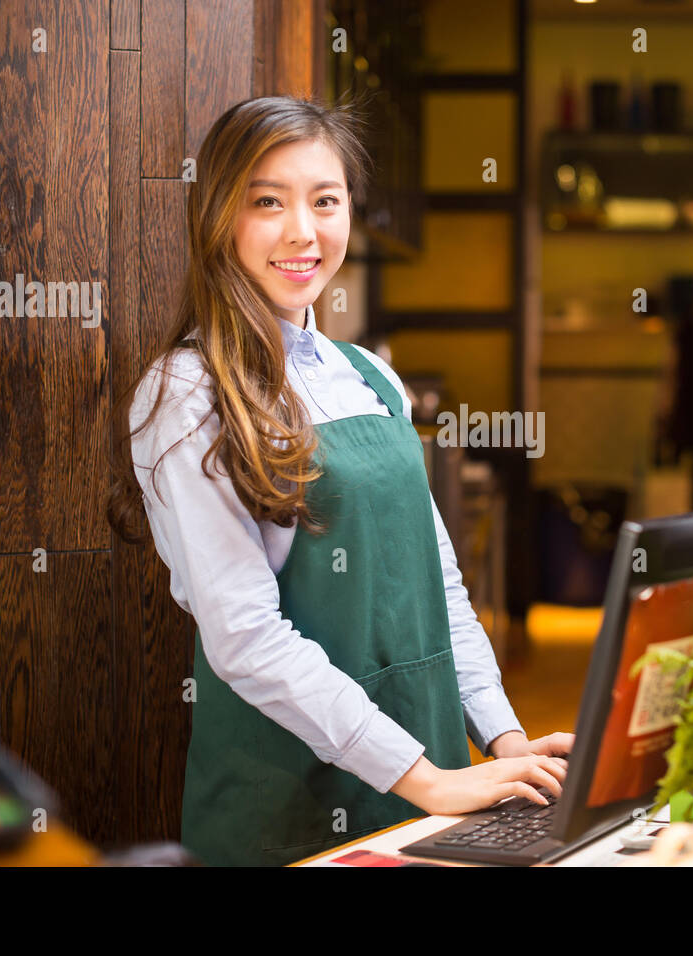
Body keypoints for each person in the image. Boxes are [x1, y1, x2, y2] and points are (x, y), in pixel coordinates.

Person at [106, 96, 573, 866]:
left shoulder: (373, 378)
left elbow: (440, 586)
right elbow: (245, 639)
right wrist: (424, 777)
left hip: (431, 791)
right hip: (291, 804)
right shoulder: (187, 393)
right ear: (219, 217)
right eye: (267, 202)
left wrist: (504, 740)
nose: (303, 231)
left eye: (326, 201)